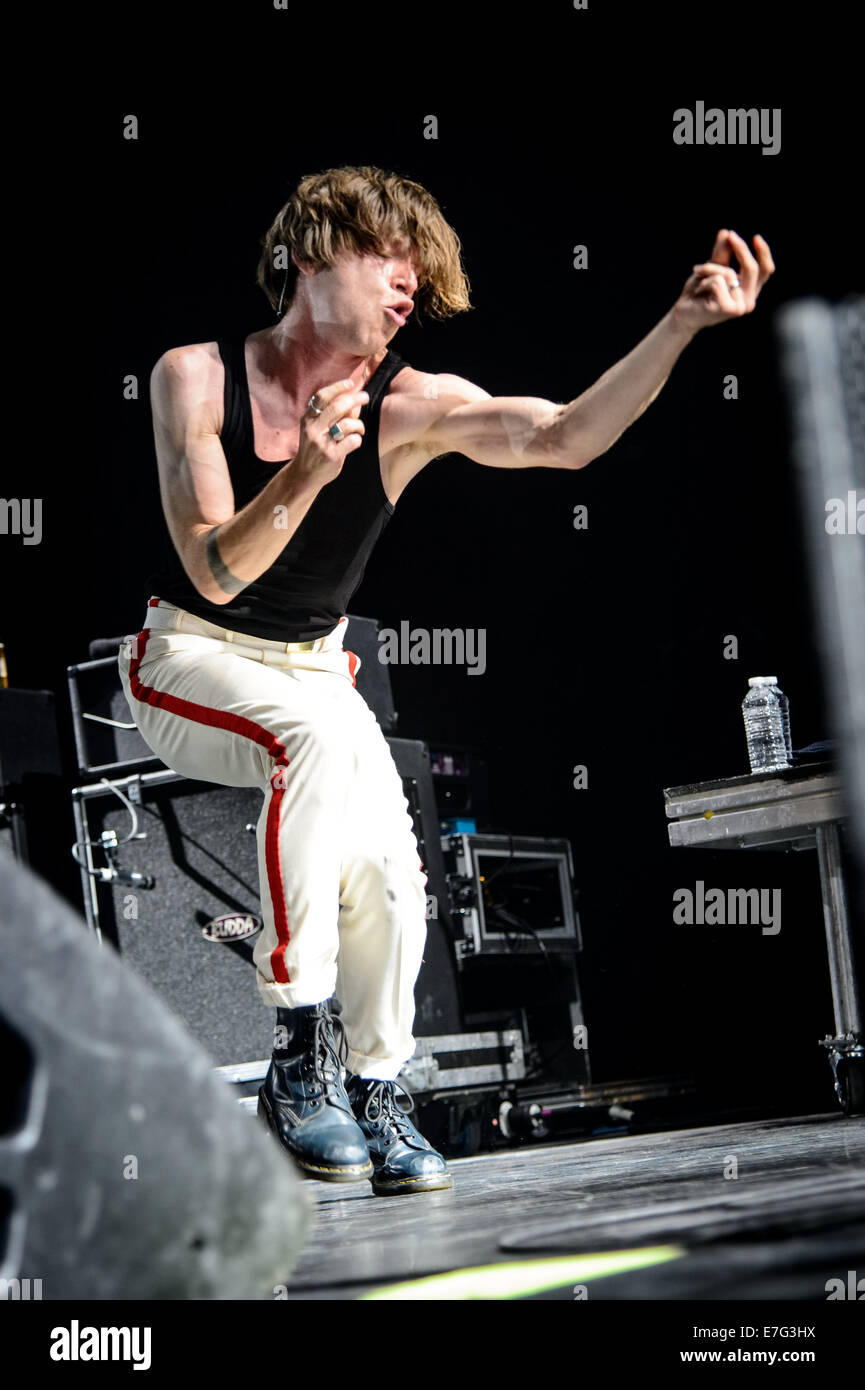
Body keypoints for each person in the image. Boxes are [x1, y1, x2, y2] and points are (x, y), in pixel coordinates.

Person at [118, 165, 775, 1196]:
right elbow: (214, 567)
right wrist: (302, 474)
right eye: (388, 258)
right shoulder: (193, 376)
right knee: (320, 737)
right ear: (305, 253)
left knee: (390, 870)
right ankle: (299, 1052)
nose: (408, 285)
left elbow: (563, 437)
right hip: (187, 659)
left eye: (418, 273)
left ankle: (379, 1091)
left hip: (310, 672)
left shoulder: (408, 404)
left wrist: (681, 325)